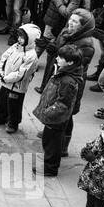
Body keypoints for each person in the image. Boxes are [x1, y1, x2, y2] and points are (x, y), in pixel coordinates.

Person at [36, 44, 84, 177]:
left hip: (56, 118)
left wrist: (48, 112)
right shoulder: (65, 73)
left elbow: (63, 103)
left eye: (60, 57)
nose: (57, 58)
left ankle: (50, 169)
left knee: (52, 144)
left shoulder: (68, 81)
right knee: (49, 141)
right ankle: (49, 165)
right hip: (55, 116)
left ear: (69, 62)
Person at [0, 23, 40, 132]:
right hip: (6, 81)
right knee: (1, 99)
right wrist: (0, 72)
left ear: (30, 39)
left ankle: (13, 123)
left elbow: (22, 74)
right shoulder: (15, 47)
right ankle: (0, 116)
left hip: (18, 86)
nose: (19, 39)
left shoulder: (31, 56)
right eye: (19, 37)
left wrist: (7, 78)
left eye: (22, 38)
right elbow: (4, 58)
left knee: (14, 105)